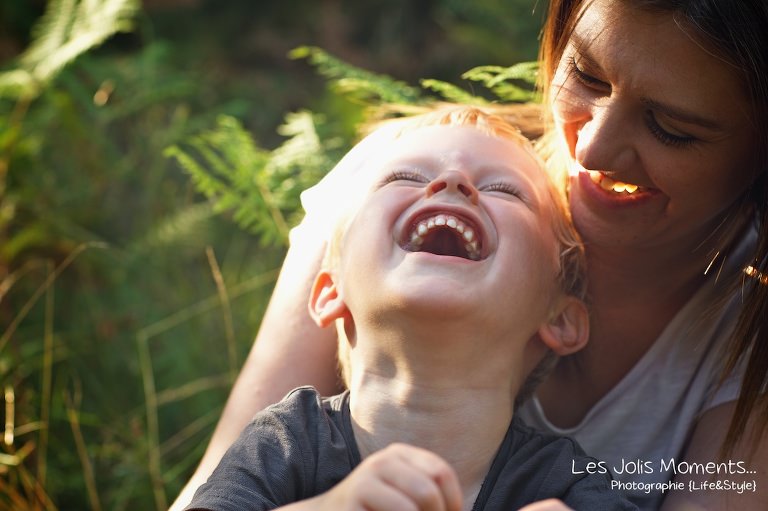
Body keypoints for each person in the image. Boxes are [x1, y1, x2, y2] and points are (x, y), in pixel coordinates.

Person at [171, 0, 768, 509]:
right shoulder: (395, 178)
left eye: (671, 128)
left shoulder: (577, 481)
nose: (593, 147)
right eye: (587, 74)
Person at [184, 106, 636, 511]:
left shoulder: (568, 485)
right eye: (405, 178)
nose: (453, 182)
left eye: (503, 189)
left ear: (559, 317)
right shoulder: (285, 443)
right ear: (328, 291)